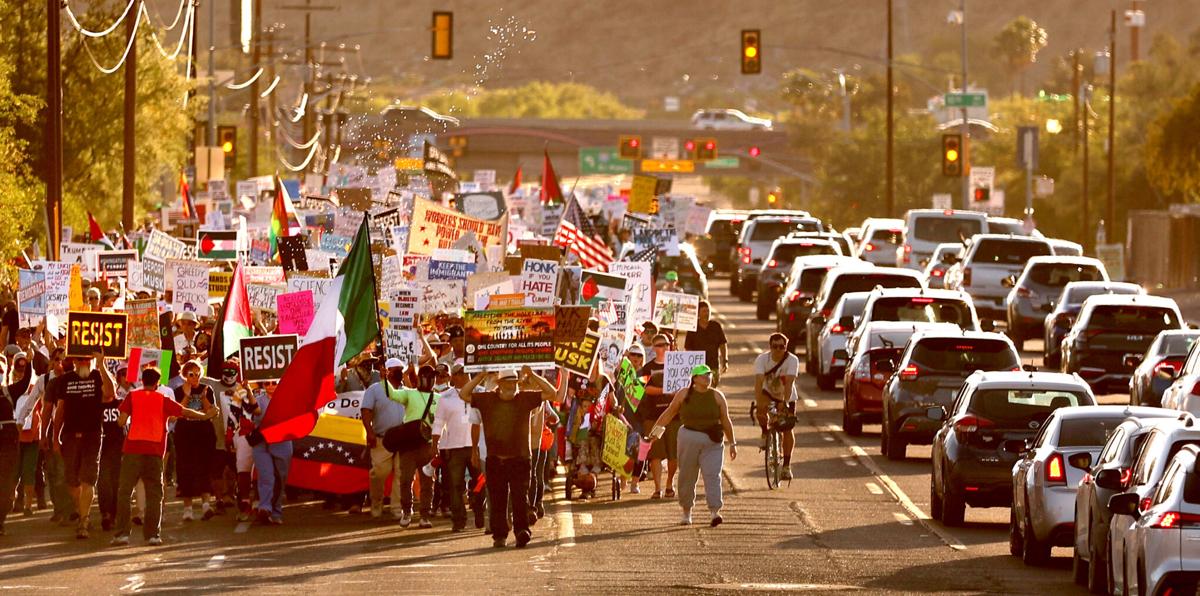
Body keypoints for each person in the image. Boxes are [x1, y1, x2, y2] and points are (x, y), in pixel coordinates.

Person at [110, 367, 213, 546]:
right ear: (158, 383)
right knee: (155, 493)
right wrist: (204, 416)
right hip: (155, 450)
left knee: (125, 492)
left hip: (132, 448)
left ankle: (122, 534)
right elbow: (184, 412)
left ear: (142, 380)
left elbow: (121, 421)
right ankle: (152, 535)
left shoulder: (132, 396)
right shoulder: (162, 398)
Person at [460, 366, 556, 548]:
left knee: (520, 497)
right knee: (498, 499)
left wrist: (532, 374)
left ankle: (522, 531)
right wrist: (480, 376)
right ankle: (499, 535)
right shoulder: (487, 399)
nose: (511, 386)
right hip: (496, 459)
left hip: (520, 459)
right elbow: (464, 394)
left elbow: (552, 393)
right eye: (508, 382)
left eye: (514, 382)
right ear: (499, 384)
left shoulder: (524, 398)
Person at [650, 364, 737, 526]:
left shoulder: (717, 396)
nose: (707, 378)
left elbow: (725, 419)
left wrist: (732, 442)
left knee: (712, 475)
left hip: (712, 441)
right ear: (695, 378)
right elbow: (669, 413)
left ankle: (714, 512)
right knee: (687, 476)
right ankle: (686, 512)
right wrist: (655, 432)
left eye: (709, 375)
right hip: (688, 437)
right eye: (703, 375)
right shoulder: (684, 394)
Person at [51, 352, 116, 539]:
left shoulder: (97, 375)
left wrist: (102, 364)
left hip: (92, 435)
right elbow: (60, 409)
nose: (84, 362)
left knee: (88, 478)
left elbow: (110, 394)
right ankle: (82, 512)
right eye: (81, 359)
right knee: (71, 479)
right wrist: (55, 438)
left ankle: (84, 519)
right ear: (74, 361)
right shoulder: (65, 379)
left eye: (88, 359)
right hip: (70, 435)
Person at [387, 365, 440, 529]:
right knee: (405, 480)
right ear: (422, 377)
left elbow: (442, 422)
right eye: (429, 376)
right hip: (409, 445)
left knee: (427, 482)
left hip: (428, 445)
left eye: (434, 376)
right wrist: (385, 379)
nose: (432, 379)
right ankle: (407, 511)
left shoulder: (439, 398)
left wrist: (438, 445)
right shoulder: (410, 394)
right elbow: (392, 394)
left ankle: (424, 515)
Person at [361, 358, 408, 520]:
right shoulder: (374, 389)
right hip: (382, 439)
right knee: (379, 473)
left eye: (401, 369)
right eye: (396, 369)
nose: (400, 372)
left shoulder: (406, 390)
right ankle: (376, 502)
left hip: (402, 440)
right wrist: (370, 432)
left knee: (401, 474)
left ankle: (396, 507)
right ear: (387, 371)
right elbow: (366, 411)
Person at [173, 361, 218, 521]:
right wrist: (186, 394)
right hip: (185, 431)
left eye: (198, 373)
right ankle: (188, 508)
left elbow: (210, 411)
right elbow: (178, 411)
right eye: (192, 374)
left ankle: (206, 504)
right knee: (186, 469)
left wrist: (204, 398)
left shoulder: (207, 389)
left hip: (203, 431)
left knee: (204, 467)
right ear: (185, 375)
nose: (195, 377)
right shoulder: (178, 390)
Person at [430, 363, 472, 532]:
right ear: (453, 377)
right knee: (455, 486)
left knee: (480, 483)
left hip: (475, 446)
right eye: (459, 373)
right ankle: (458, 520)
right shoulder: (445, 397)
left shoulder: (481, 392)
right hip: (454, 448)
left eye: (465, 372)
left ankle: (478, 509)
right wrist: (435, 444)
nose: (463, 375)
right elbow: (438, 422)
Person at [754, 333, 799, 481]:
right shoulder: (762, 360)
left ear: (786, 347)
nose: (778, 350)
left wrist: (784, 403)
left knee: (787, 428)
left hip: (787, 395)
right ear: (770, 347)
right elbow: (759, 382)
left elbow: (789, 383)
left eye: (782, 347)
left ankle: (786, 465)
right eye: (775, 346)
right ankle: (765, 432)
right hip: (768, 392)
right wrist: (759, 402)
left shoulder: (792, 360)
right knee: (759, 411)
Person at [245, 381, 291, 524]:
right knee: (266, 476)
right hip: (261, 443)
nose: (270, 386)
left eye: (274, 383)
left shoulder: (288, 399)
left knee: (280, 478)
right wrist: (247, 389)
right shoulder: (258, 399)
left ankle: (276, 511)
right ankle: (264, 508)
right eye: (267, 383)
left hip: (282, 442)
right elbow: (256, 410)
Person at [639, 334, 678, 499]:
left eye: (666, 344)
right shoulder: (647, 368)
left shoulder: (676, 365)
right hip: (653, 415)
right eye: (660, 345)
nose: (664, 347)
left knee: (673, 453)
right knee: (655, 453)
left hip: (674, 415)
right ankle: (657, 487)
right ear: (654, 348)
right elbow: (643, 388)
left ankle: (669, 483)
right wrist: (664, 390)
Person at [0, 354, 33, 535]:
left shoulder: (9, 392)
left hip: (7, 440)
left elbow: (26, 380)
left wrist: (29, 361)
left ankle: (1, 519)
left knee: (5, 482)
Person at [684, 301, 729, 387]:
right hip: (698, 368)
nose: (707, 313)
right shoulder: (692, 329)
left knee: (712, 389)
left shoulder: (716, 326)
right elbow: (688, 348)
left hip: (713, 366)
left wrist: (725, 360)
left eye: (708, 311)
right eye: (704, 311)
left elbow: (723, 344)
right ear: (698, 313)